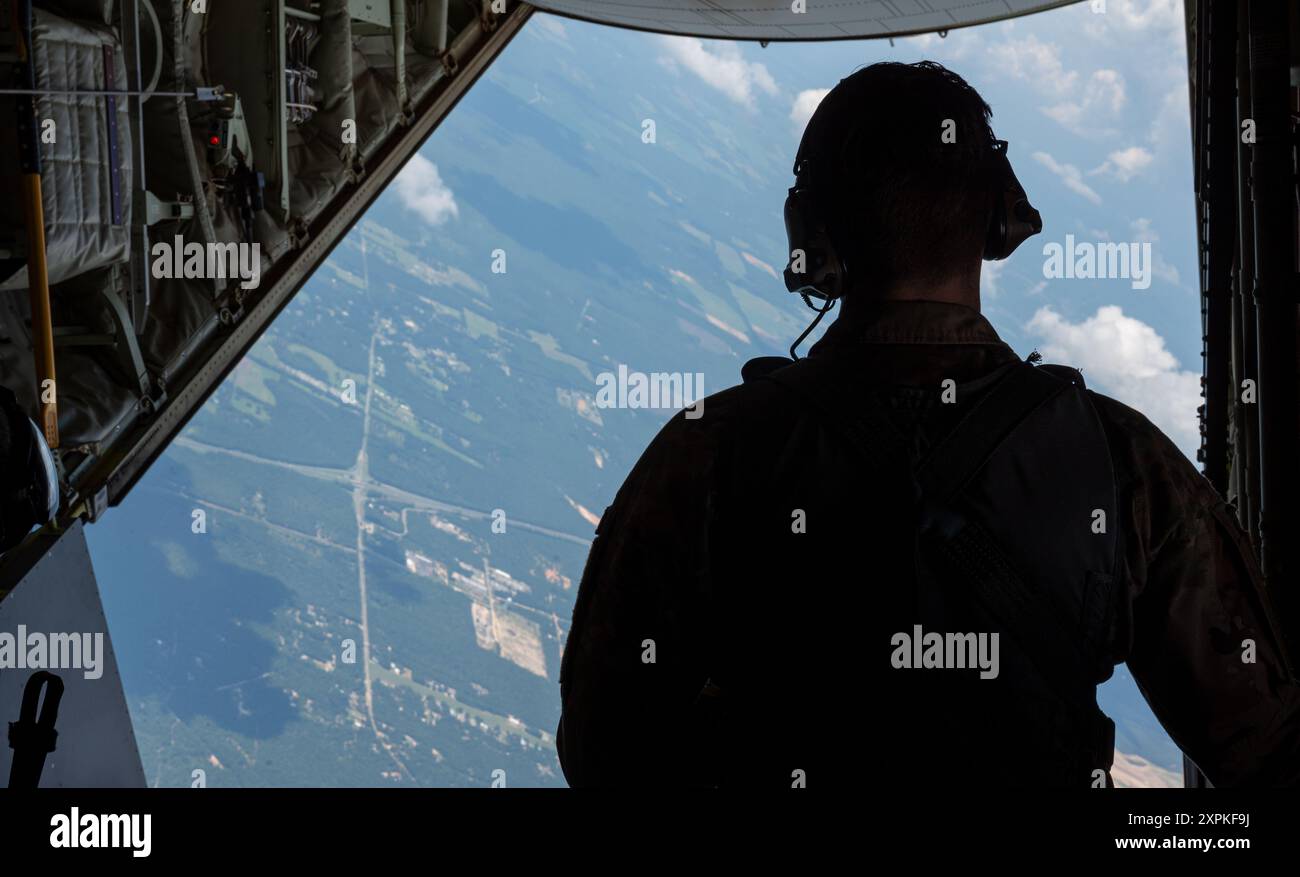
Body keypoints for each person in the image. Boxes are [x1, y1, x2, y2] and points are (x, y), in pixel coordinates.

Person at [556, 61, 1300, 788]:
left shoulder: (708, 453)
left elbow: (604, 747)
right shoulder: (1124, 466)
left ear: (813, 237)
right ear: (999, 217)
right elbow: (1263, 743)